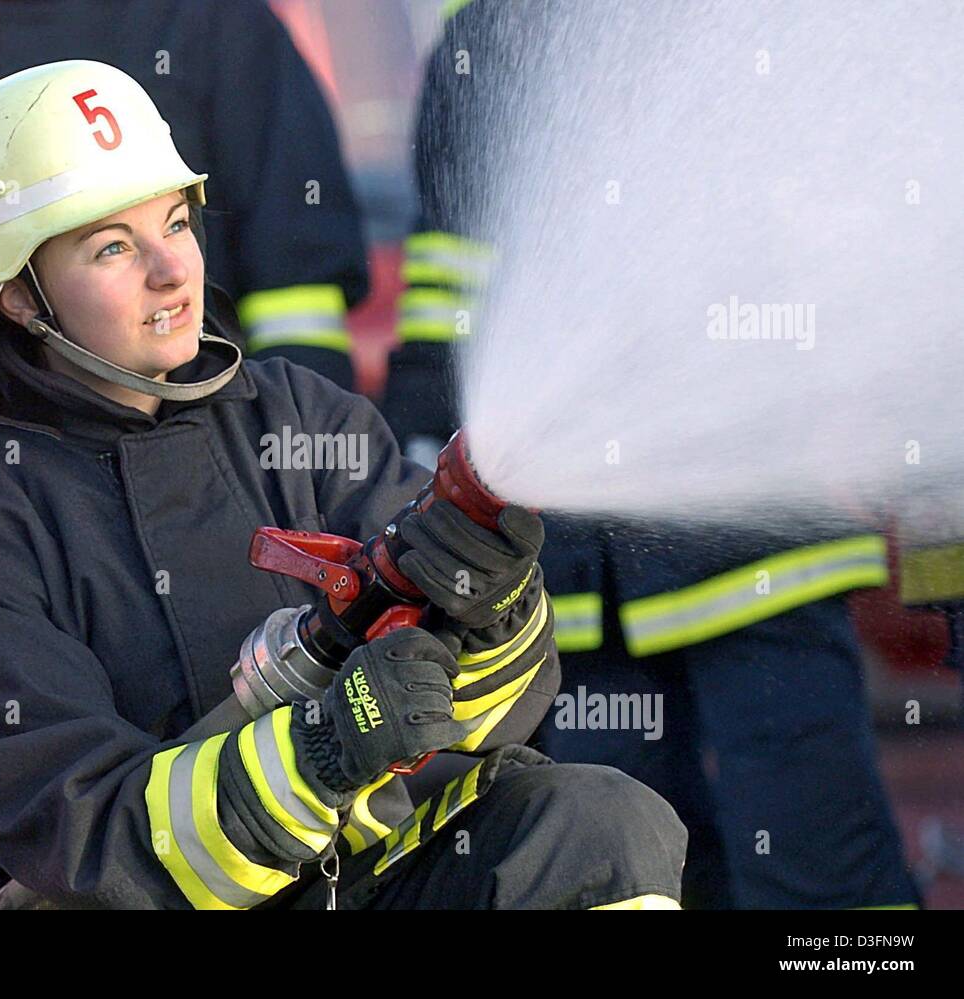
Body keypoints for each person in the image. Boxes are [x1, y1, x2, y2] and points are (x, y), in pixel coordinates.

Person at [0, 59, 685, 910]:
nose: (171, 270)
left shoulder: (301, 420)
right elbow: (99, 842)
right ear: (16, 297)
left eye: (175, 223)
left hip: (356, 879)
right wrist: (319, 752)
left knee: (596, 828)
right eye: (113, 247)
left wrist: (484, 606)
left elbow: (507, 708)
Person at [380, 0, 918, 909]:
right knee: (631, 863)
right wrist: (424, 447)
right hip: (578, 571)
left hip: (755, 533)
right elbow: (449, 277)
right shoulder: (487, 39)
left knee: (815, 855)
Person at [0, 0, 368, 391]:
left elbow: (300, 277)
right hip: (16, 433)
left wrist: (292, 450)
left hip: (215, 420)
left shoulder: (218, 20)